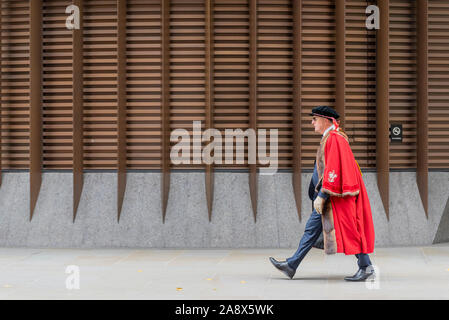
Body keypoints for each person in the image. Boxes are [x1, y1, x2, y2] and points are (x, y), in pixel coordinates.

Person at [269, 106, 375, 281]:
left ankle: (366, 266)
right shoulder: (331, 138)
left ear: (327, 120)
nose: (312, 123)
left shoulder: (334, 138)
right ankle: (291, 265)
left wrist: (323, 195)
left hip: (335, 198)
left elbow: (333, 170)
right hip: (332, 197)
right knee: (312, 230)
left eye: (315, 119)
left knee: (350, 231)